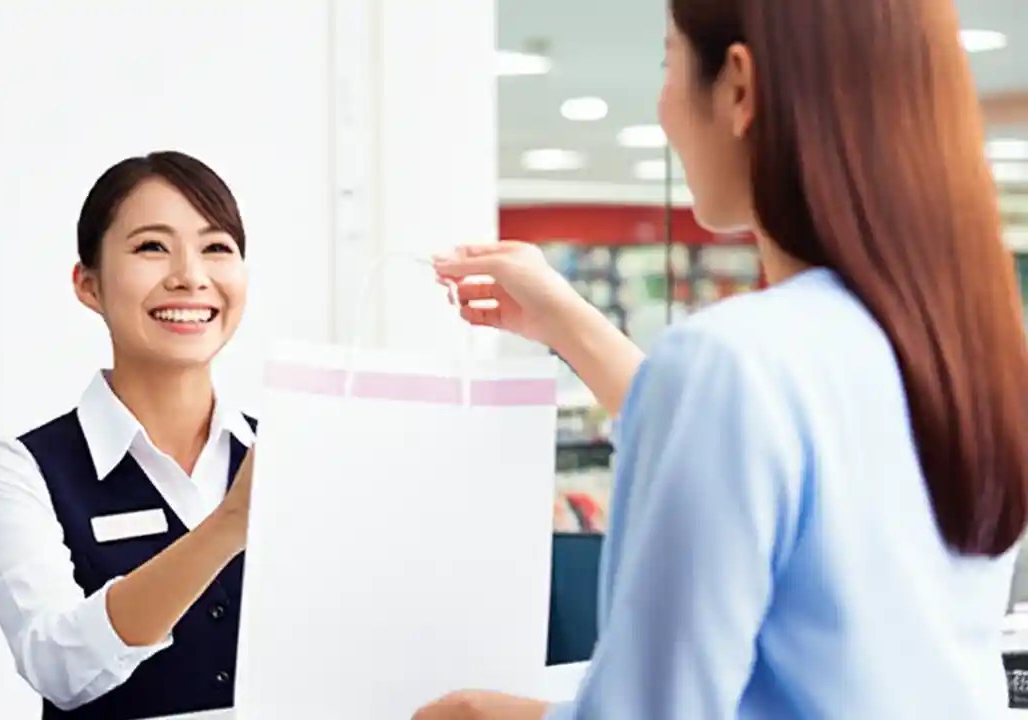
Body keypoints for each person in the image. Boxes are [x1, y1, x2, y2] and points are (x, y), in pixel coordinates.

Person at [415, 0, 1028, 718]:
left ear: (740, 88)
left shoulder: (731, 363)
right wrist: (564, 318)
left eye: (667, 63)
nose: (663, 107)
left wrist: (500, 715)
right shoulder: (960, 353)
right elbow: (746, 450)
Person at [0, 151, 259, 720]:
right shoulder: (25, 470)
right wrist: (228, 527)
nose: (190, 276)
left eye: (216, 248)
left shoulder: (291, 453)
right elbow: (58, 668)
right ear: (88, 284)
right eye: (152, 247)